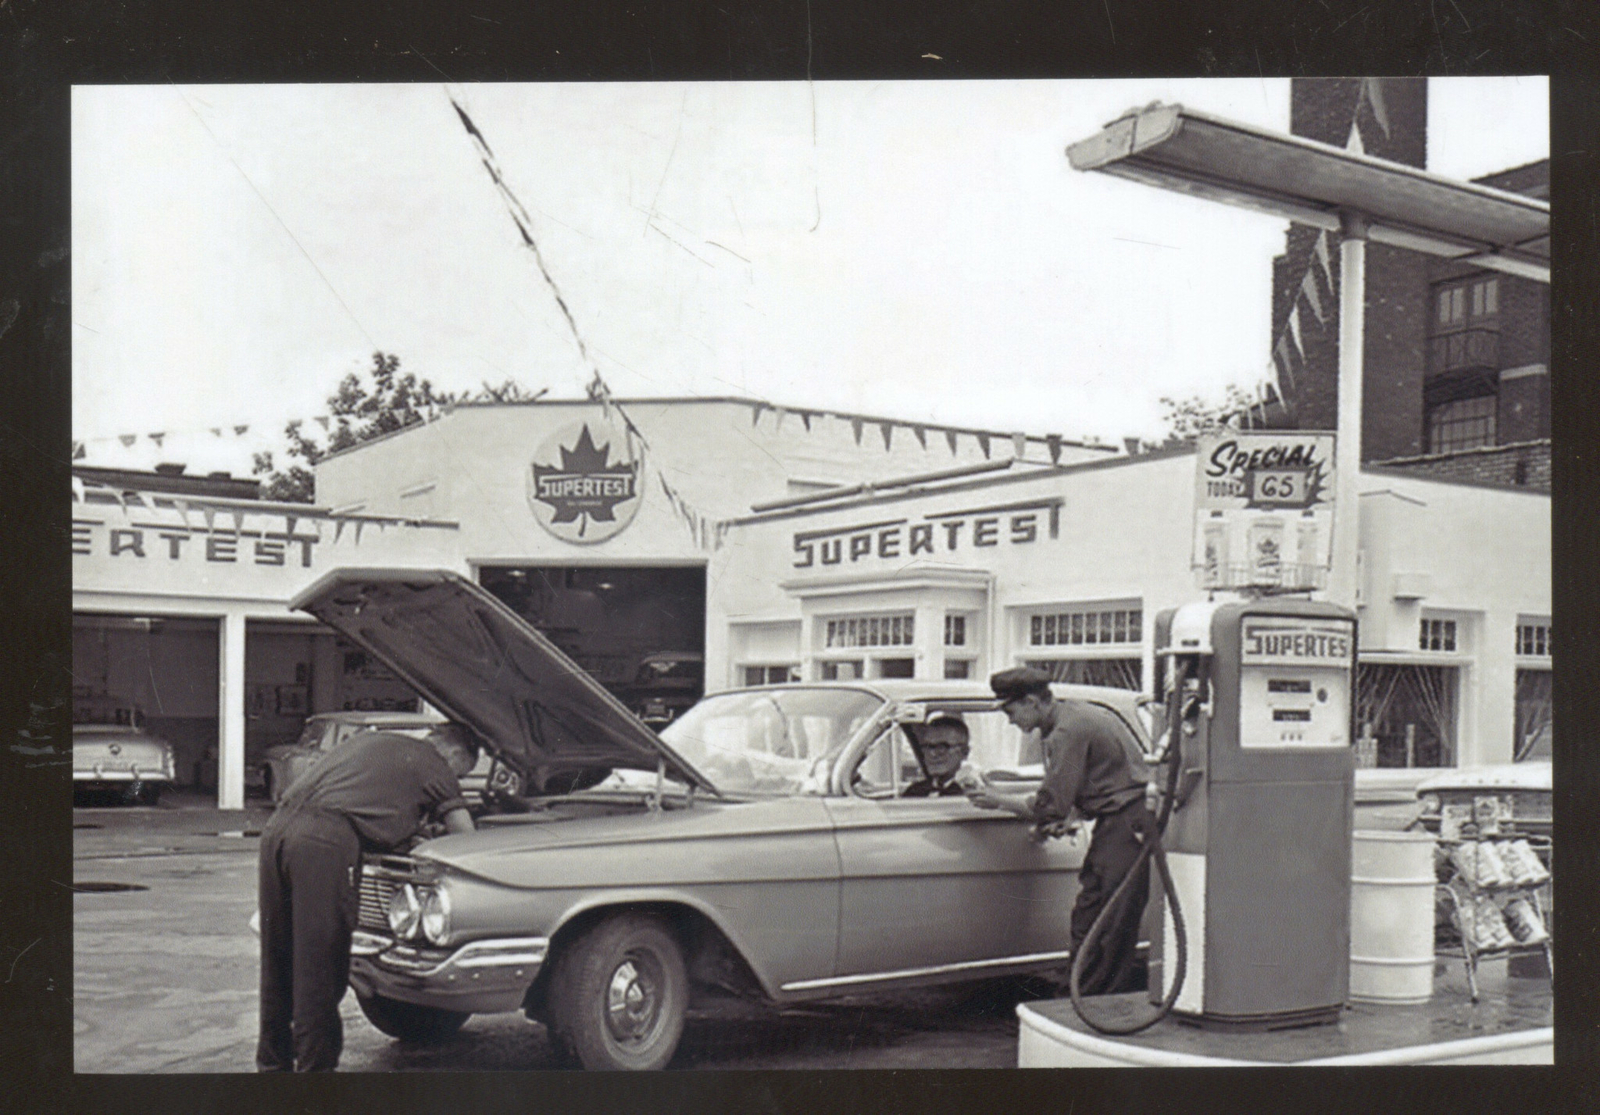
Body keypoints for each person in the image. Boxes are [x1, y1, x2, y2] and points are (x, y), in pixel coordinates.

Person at [257, 727, 479, 1072]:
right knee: (320, 963)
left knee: (278, 956)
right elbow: (467, 839)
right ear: (455, 755)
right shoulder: (435, 763)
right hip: (323, 841)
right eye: (460, 774)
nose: (455, 780)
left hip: (276, 831)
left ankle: (273, 1066)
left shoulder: (374, 742)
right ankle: (316, 1077)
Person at [967, 667, 1153, 995]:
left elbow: (1050, 804)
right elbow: (1096, 779)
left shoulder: (1067, 730)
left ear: (1031, 702)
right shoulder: (1071, 717)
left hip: (1126, 824)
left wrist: (998, 799)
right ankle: (1084, 993)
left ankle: (1097, 1001)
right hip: (1118, 822)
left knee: (1109, 919)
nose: (1011, 721)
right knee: (1092, 914)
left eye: (1011, 711)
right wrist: (1068, 814)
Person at [901, 715, 977, 797]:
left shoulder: (974, 793)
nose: (932, 754)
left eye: (942, 747)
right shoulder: (914, 792)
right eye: (927, 746)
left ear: (964, 752)